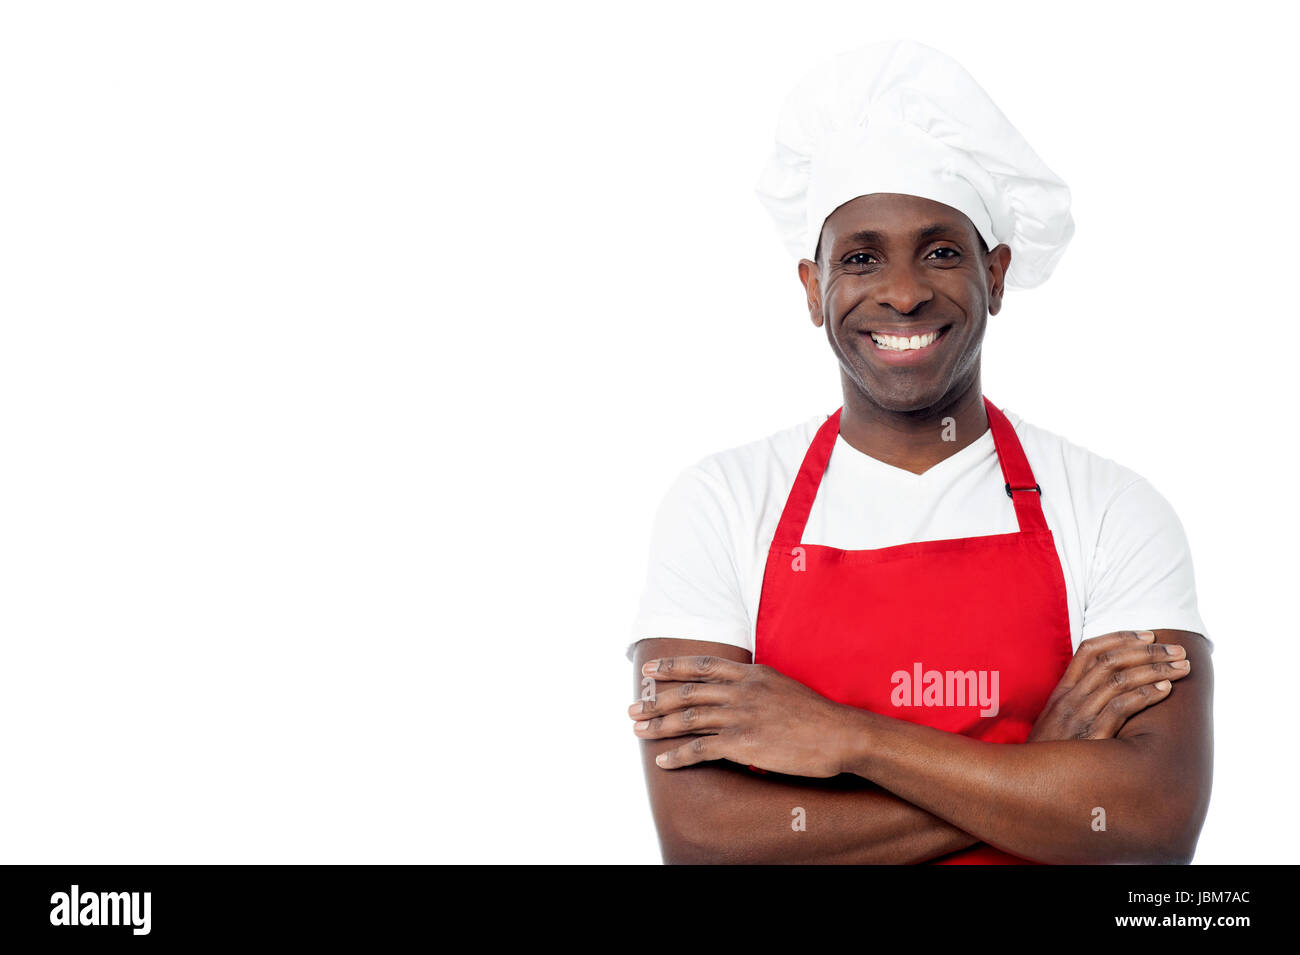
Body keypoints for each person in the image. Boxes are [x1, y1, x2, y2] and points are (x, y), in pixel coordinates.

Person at [625, 39, 1212, 865]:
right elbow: (706, 838)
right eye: (861, 256)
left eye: (941, 251)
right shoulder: (721, 504)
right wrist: (1037, 774)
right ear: (811, 288)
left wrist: (852, 740)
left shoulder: (1112, 509)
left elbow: (1152, 820)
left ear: (996, 276)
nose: (903, 292)